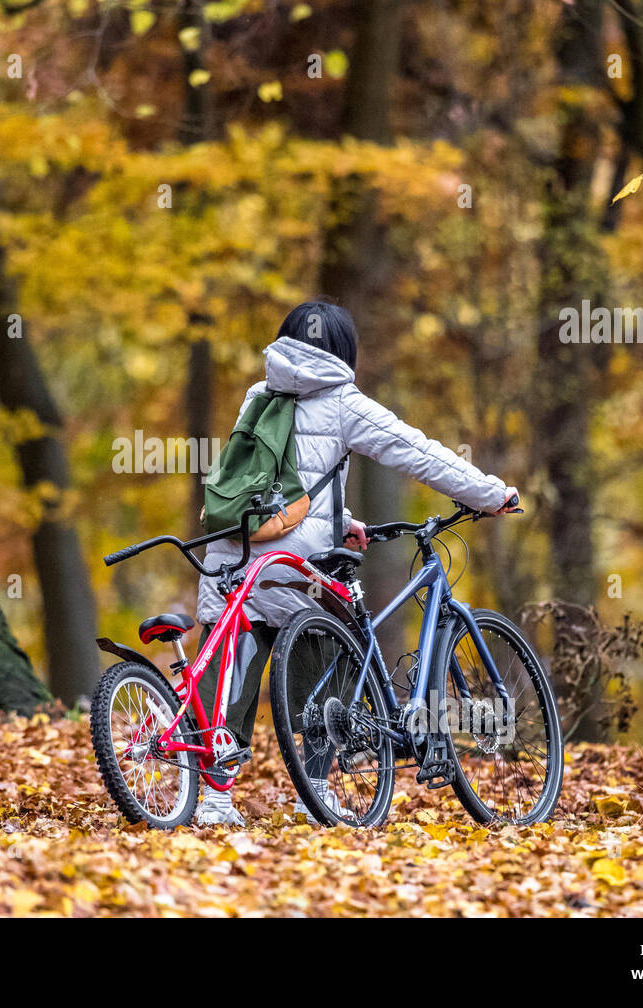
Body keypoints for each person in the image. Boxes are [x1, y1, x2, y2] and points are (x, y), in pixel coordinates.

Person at [193, 301, 519, 826]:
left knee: (228, 682)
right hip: (302, 571)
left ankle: (212, 801)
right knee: (329, 675)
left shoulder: (258, 394)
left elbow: (271, 481)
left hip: (234, 555)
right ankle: (315, 792)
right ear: (345, 350)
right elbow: (418, 452)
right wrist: (489, 493)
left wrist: (344, 520)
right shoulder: (344, 402)